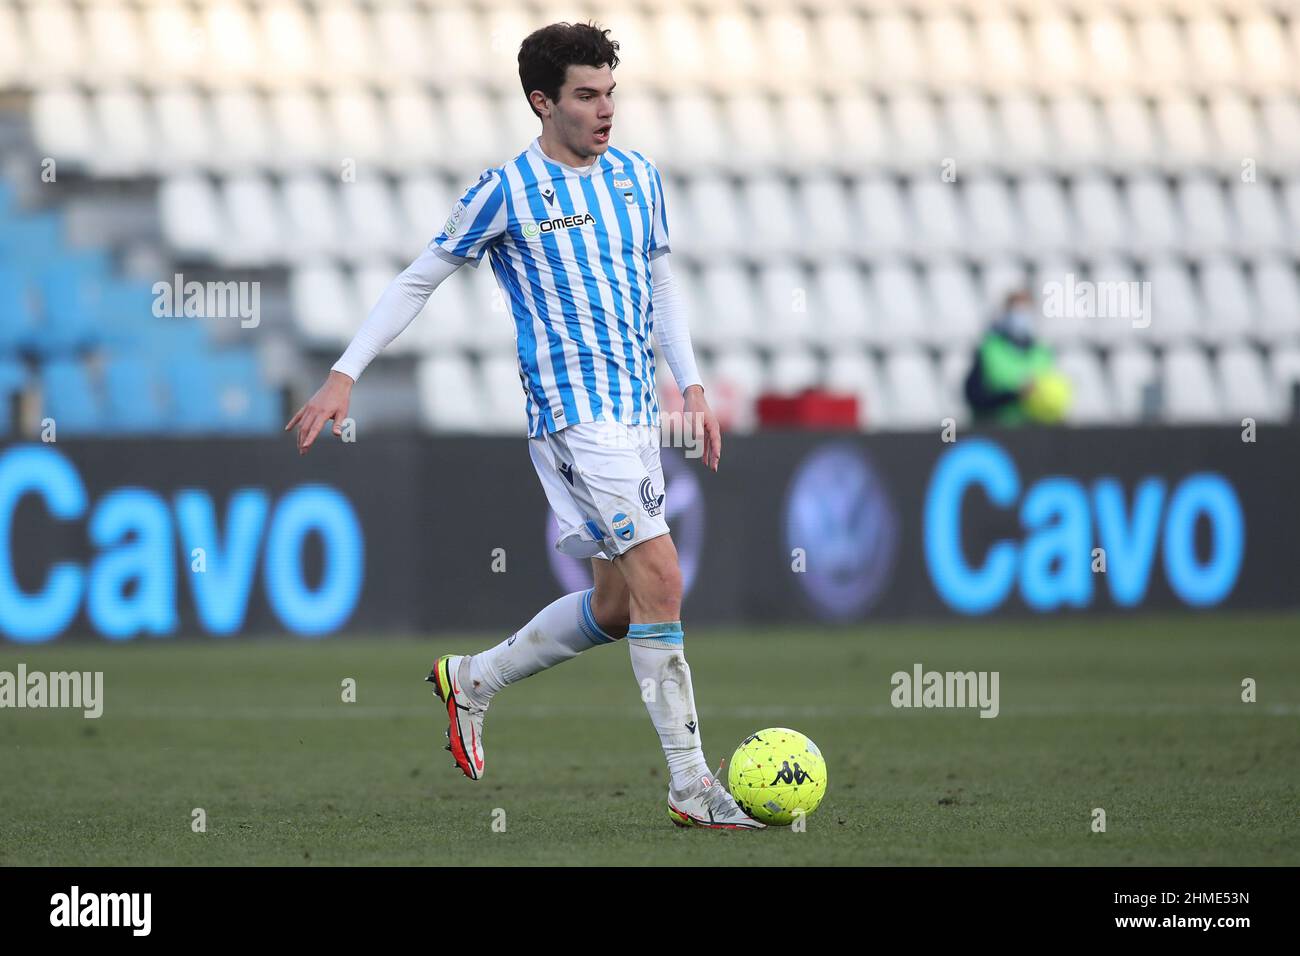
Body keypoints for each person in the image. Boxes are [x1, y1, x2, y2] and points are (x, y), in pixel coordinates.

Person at [285, 21, 762, 829]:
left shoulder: (638, 177)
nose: (605, 109)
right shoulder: (505, 191)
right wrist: (343, 373)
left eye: (611, 92)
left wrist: (690, 384)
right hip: (574, 418)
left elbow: (660, 286)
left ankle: (474, 679)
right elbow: (417, 280)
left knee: (616, 606)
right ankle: (690, 786)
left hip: (635, 413)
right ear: (542, 101)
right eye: (586, 95)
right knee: (664, 581)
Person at [965, 290, 1070, 425]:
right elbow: (975, 397)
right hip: (998, 431)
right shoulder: (989, 350)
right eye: (1017, 312)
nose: (1022, 318)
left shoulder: (1043, 353)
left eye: (1026, 312)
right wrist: (1015, 395)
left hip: (1035, 431)